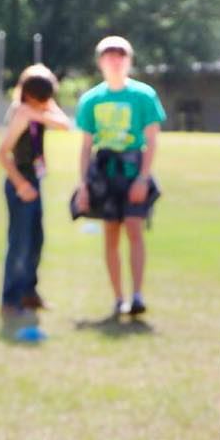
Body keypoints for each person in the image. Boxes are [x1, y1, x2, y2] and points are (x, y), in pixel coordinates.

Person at [72, 35, 166, 317]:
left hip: (132, 167)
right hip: (105, 170)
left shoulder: (143, 95)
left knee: (134, 228)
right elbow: (86, 145)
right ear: (100, 61)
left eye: (120, 55)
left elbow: (151, 140)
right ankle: (117, 297)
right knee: (110, 232)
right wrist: (84, 185)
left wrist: (143, 178)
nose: (115, 60)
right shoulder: (91, 99)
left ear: (129, 60)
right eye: (109, 55)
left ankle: (137, 295)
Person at [0, 64, 71, 339]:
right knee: (19, 243)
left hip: (34, 181)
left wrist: (45, 106)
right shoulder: (22, 112)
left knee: (36, 239)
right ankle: (10, 300)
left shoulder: (38, 110)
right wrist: (21, 184)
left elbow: (64, 124)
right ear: (28, 95)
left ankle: (29, 292)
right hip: (21, 181)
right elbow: (2, 154)